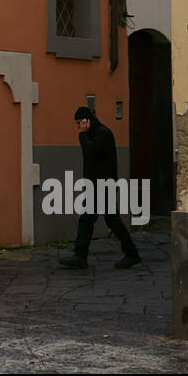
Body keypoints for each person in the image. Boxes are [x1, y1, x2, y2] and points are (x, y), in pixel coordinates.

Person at [60, 105, 142, 269]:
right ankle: (81, 256)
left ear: (86, 121)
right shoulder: (94, 135)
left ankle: (131, 253)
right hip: (95, 185)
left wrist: (82, 135)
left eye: (79, 123)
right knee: (90, 220)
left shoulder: (103, 134)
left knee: (110, 220)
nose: (78, 127)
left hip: (104, 185)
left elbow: (90, 152)